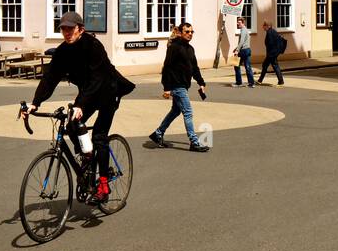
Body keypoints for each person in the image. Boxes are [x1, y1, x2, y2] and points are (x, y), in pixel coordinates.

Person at [24, 11, 136, 196]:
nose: (66, 33)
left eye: (70, 29)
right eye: (63, 29)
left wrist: (80, 105)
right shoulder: (62, 51)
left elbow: (97, 78)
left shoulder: (93, 46)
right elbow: (50, 78)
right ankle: (87, 154)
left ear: (81, 29)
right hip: (89, 93)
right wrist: (35, 103)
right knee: (72, 125)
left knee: (99, 136)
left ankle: (103, 183)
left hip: (109, 90)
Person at [150, 21, 210, 152]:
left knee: (176, 111)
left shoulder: (190, 49)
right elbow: (167, 68)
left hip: (184, 85)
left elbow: (195, 67)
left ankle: (158, 133)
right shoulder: (174, 47)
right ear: (180, 33)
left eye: (191, 32)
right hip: (177, 85)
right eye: (187, 32)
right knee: (188, 112)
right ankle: (194, 142)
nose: (190, 34)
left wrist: (201, 82)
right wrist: (166, 87)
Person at [257, 21, 286, 86]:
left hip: (271, 54)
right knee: (273, 66)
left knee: (266, 65)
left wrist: (270, 54)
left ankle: (260, 80)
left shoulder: (269, 32)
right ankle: (280, 81)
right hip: (274, 53)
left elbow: (270, 44)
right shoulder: (273, 31)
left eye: (264, 25)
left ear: (268, 26)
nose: (263, 27)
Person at [232, 16, 255, 88]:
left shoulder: (243, 30)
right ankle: (251, 83)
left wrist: (237, 50)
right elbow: (244, 42)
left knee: (236, 65)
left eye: (239, 22)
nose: (237, 24)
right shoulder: (245, 30)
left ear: (243, 23)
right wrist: (236, 48)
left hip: (243, 51)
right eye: (237, 22)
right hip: (247, 50)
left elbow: (241, 41)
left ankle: (239, 82)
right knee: (248, 67)